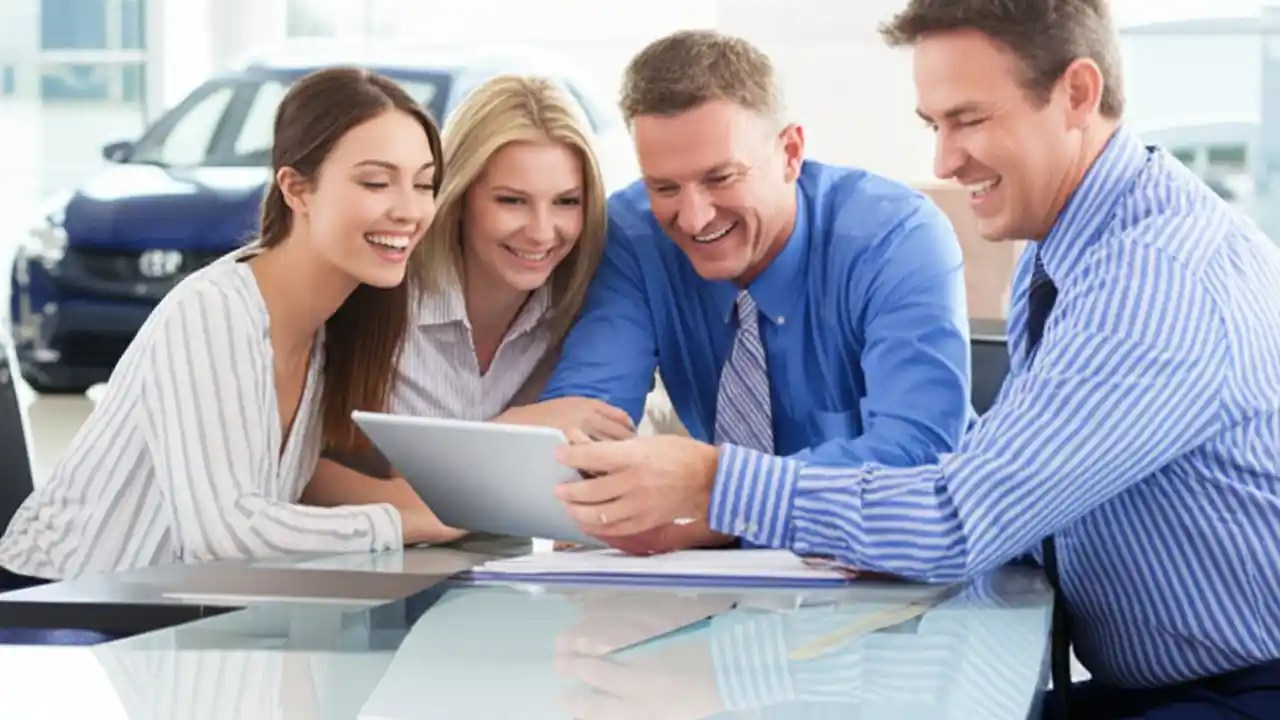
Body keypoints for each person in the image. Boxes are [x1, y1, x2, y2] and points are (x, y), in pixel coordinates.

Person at [552, 2, 1280, 718]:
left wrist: (715, 488)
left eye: (969, 119)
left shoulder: (1152, 280)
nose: (943, 159)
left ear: (1077, 95)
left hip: (1243, 689)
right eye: (935, 125)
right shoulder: (1070, 251)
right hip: (1149, 686)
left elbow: (959, 516)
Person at [500, 30, 973, 552]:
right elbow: (588, 425)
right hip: (721, 582)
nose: (694, 217)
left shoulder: (895, 238)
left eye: (721, 178)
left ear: (790, 153)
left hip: (904, 566)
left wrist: (718, 491)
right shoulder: (633, 236)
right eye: (664, 188)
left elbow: (918, 458)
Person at [0, 67, 459, 590]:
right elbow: (224, 536)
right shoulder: (213, 312)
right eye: (376, 182)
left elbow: (293, 484)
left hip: (172, 620)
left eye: (424, 184)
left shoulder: (334, 328)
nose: (409, 210)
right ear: (297, 189)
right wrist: (402, 524)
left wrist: (466, 508)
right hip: (54, 615)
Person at [299, 74, 622, 512]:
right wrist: (509, 433)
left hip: (514, 569)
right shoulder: (377, 290)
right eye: (512, 201)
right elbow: (296, 475)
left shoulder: (585, 312)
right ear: (458, 196)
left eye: (566, 202)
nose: (542, 232)